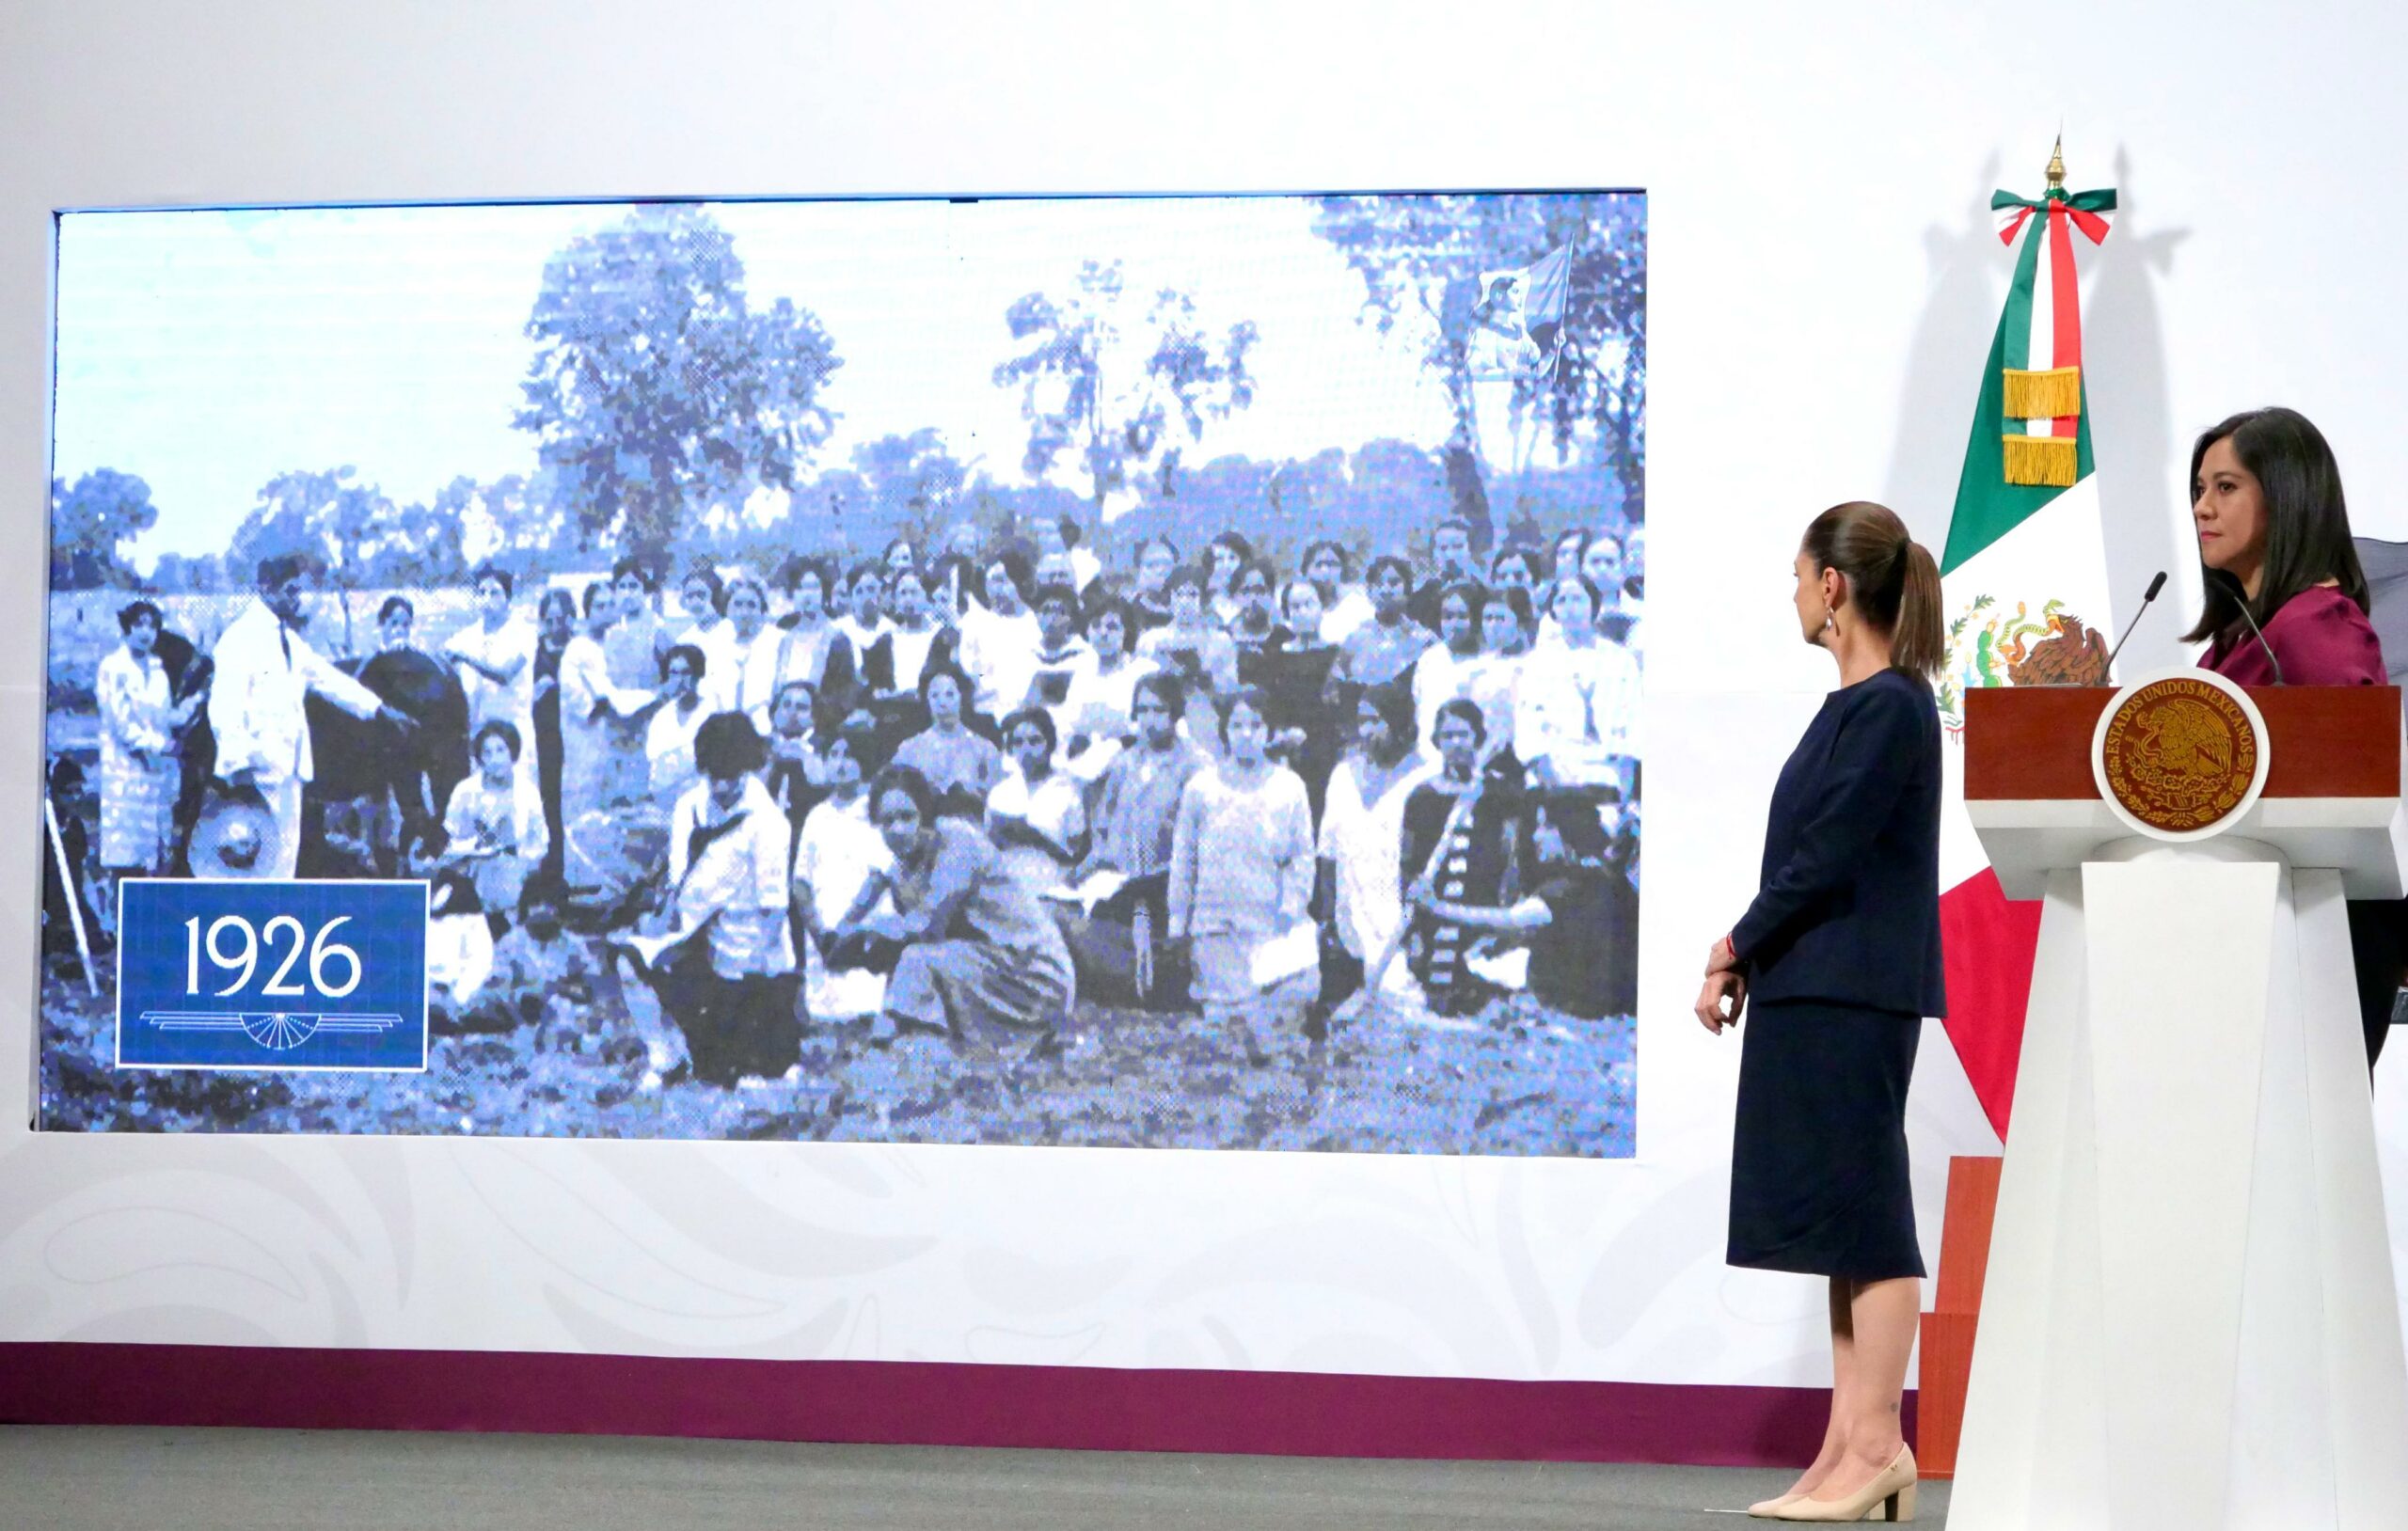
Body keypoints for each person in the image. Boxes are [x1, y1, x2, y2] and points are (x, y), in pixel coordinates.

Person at [1697, 499, 1945, 1523]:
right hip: (1817, 984)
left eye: (1800, 577)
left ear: (1832, 585)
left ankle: (1879, 1444)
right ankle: (1846, 1444)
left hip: (1853, 987)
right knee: (1845, 1223)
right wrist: (1758, 954)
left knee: (1869, 1217)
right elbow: (1812, 858)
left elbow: (1827, 854)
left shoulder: (1890, 706)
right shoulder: (1857, 705)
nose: (1794, 595)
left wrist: (1733, 944)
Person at [2186, 406, 2400, 1068]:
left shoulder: (2314, 623)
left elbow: (2359, 782)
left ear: (2285, 498)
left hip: (2320, 926)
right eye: (2199, 488)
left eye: (2226, 487)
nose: (2201, 507)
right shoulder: (2241, 635)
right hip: (2257, 918)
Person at [833, 765, 1074, 1056]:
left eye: (907, 817)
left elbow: (925, 925)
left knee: (915, 957)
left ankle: (914, 1038)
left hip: (1035, 975)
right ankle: (901, 1034)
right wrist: (843, 932)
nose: (897, 830)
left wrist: (865, 930)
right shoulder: (905, 866)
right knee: (911, 956)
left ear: (926, 815)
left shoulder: (958, 842)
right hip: (989, 967)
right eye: (887, 822)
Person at [209, 554, 409, 878]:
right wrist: (239, 773)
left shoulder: (288, 641)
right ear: (265, 588)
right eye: (290, 591)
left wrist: (377, 709)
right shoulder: (239, 639)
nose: (297, 600)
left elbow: (328, 678)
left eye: (298, 591)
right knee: (256, 866)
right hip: (257, 774)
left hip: (290, 772)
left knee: (284, 864)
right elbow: (224, 710)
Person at [636, 713, 800, 1087]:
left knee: (738, 1067)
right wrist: (661, 923)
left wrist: (753, 972)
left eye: (732, 776)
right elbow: (678, 879)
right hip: (694, 938)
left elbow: (774, 908)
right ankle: (666, 1056)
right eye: (714, 776)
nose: (722, 786)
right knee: (631, 961)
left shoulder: (769, 822)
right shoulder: (688, 807)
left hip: (747, 952)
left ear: (748, 769)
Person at [1168, 687, 1319, 1064]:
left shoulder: (1289, 787)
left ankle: (1263, 1022)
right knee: (1235, 1008)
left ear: (1269, 731)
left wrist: (1290, 908)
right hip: (1217, 927)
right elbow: (1184, 859)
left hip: (1271, 923)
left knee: (1299, 989)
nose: (1247, 734)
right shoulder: (1202, 788)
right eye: (1237, 726)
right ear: (1225, 731)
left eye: (1256, 725)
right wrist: (1178, 920)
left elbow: (1302, 857)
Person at [1408, 797, 1638, 1019]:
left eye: (1545, 827)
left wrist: (1436, 907)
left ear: (1566, 832)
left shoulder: (1564, 891)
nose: (1536, 836)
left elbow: (1508, 920)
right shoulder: (1616, 884)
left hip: (1565, 1014)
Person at [1066, 673, 1206, 1007]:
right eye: (1142, 710)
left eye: (1159, 710)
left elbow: (1196, 834)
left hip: (1166, 881)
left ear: (1175, 714)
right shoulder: (1125, 763)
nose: (1149, 719)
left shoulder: (1192, 766)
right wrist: (1095, 864)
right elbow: (1104, 822)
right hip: (1119, 877)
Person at [1399, 700, 1523, 1016]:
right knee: (1435, 992)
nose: (1456, 743)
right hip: (1433, 910)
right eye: (1448, 735)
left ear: (1478, 738)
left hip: (1479, 911)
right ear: (1437, 741)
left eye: (1463, 735)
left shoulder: (1496, 795)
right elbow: (1408, 864)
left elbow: (1511, 855)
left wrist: (1503, 914)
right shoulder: (1423, 797)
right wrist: (1412, 923)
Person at [1316, 684, 1434, 1008]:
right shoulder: (1343, 776)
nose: (1366, 731)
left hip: (1399, 930)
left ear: (1400, 723)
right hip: (1350, 925)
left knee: (1401, 1006)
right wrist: (1328, 920)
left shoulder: (1425, 779)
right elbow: (1328, 854)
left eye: (1375, 721)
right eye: (1362, 721)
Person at [793, 728, 891, 1027]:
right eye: (833, 755)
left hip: (864, 927)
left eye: (849, 755)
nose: (840, 763)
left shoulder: (877, 813)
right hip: (823, 932)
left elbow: (878, 877)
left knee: (864, 1015)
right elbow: (801, 881)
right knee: (825, 1020)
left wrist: (846, 930)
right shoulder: (817, 815)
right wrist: (820, 933)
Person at [357, 594, 471, 849]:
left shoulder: (423, 660)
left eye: (406, 625)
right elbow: (359, 692)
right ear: (381, 625)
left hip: (427, 742)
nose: (400, 630)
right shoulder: (373, 661)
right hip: (394, 747)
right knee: (408, 804)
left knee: (441, 798)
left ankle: (438, 844)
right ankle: (408, 845)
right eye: (394, 623)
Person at [1514, 575, 1640, 800]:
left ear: (1593, 605)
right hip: (1555, 773)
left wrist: (1623, 788)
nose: (1570, 607)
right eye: (1561, 601)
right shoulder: (1537, 662)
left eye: (1577, 599)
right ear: (1553, 611)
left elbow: (1631, 722)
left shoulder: (1620, 660)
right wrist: (1554, 787)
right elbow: (1529, 729)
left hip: (1605, 772)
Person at [97, 600, 196, 877]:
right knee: (127, 857)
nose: (145, 632)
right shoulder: (113, 667)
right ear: (127, 627)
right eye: (139, 625)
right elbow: (123, 728)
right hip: (125, 771)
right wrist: (165, 746)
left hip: (156, 773)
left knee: (157, 851)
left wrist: (192, 705)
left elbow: (163, 718)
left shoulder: (157, 668)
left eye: (152, 626)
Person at [441, 720, 549, 930]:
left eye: (501, 750)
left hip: (515, 880)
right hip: (473, 880)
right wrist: (474, 848)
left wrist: (519, 856)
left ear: (512, 752)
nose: (495, 760)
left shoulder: (527, 792)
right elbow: (449, 842)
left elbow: (540, 842)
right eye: (487, 753)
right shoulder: (465, 791)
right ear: (480, 757)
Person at [1257, 580, 1344, 814]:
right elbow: (1272, 705)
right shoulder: (1276, 657)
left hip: (1327, 746)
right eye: (1295, 607)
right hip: (1289, 748)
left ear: (1322, 607)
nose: (1302, 612)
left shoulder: (1336, 654)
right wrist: (1282, 736)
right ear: (1287, 613)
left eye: (1308, 604)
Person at [986, 707, 1087, 895]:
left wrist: (1037, 838)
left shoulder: (1066, 790)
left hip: (1053, 891)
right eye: (1018, 743)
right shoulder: (1000, 793)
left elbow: (1077, 855)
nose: (1026, 750)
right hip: (1008, 894)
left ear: (1050, 744)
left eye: (1034, 741)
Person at [1136, 567, 1239, 744]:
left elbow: (1231, 692)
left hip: (1206, 719)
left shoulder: (1221, 641)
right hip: (1162, 719)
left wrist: (1208, 680)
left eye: (1192, 595)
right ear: (1169, 599)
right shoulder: (1150, 641)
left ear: (1203, 600)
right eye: (1179, 595)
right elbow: (1140, 689)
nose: (1185, 602)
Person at [1057, 597, 1155, 780]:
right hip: (1084, 758)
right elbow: (1068, 725)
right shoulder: (1081, 672)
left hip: (1131, 761)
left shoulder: (1143, 672)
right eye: (1096, 625)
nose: (1103, 633)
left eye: (1112, 627)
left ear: (1126, 633)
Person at [444, 564, 539, 747]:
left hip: (514, 730)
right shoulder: (467, 636)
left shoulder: (524, 633)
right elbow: (443, 659)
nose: (487, 599)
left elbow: (506, 675)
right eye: (481, 593)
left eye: (494, 593)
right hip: (480, 734)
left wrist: (465, 658)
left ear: (508, 598)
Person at [892, 663, 1004, 817]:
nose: (942, 702)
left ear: (962, 697)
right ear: (927, 700)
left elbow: (995, 797)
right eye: (935, 695)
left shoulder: (983, 749)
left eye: (950, 694)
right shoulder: (909, 749)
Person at [1323, 556, 1431, 712]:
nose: (1386, 590)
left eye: (1394, 583)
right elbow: (1333, 687)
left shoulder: (1423, 639)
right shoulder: (1357, 638)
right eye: (1379, 584)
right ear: (1369, 591)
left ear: (1408, 589)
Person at [764, 560, 858, 726]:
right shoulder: (782, 638)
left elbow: (845, 694)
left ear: (824, 592)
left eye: (814, 588)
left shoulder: (837, 639)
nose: (807, 594)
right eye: (801, 588)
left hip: (822, 726)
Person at [529, 587, 577, 881]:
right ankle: (552, 867)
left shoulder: (578, 647)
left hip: (575, 730)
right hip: (546, 731)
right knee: (549, 797)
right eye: (550, 620)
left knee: (574, 798)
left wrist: (557, 684)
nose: (556, 626)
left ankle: (575, 866)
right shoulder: (535, 649)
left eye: (561, 619)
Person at [1409, 582, 1486, 755]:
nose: (1454, 624)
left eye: (1462, 616)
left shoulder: (1486, 662)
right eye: (1448, 616)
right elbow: (1421, 710)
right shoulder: (1429, 660)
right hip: (1431, 756)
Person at [645, 644, 710, 813]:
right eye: (674, 673)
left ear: (698, 675)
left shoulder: (711, 714)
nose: (680, 681)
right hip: (667, 804)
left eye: (686, 673)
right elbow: (657, 777)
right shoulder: (662, 719)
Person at [673, 563, 744, 714]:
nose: (696, 602)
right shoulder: (684, 641)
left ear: (715, 596)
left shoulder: (734, 633)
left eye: (701, 595)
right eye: (690, 596)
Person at [603, 558, 673, 692]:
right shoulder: (612, 630)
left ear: (643, 590)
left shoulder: (657, 628)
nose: (627, 593)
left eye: (633, 586)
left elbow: (672, 674)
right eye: (622, 587)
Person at [1407, 517, 1479, 630]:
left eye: (1458, 546)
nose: (1450, 555)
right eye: (1442, 548)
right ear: (1433, 553)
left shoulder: (1484, 594)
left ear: (1471, 550)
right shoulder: (1420, 599)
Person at [1301, 540, 1372, 644]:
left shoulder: (1357, 606)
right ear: (1306, 570)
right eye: (1319, 564)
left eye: (1333, 564)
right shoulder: (1293, 604)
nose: (1326, 570)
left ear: (1343, 570)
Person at [1128, 536, 1181, 633]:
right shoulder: (1130, 608)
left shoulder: (1181, 605)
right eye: (1152, 565)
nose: (1160, 570)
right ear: (1140, 569)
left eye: (1166, 564)